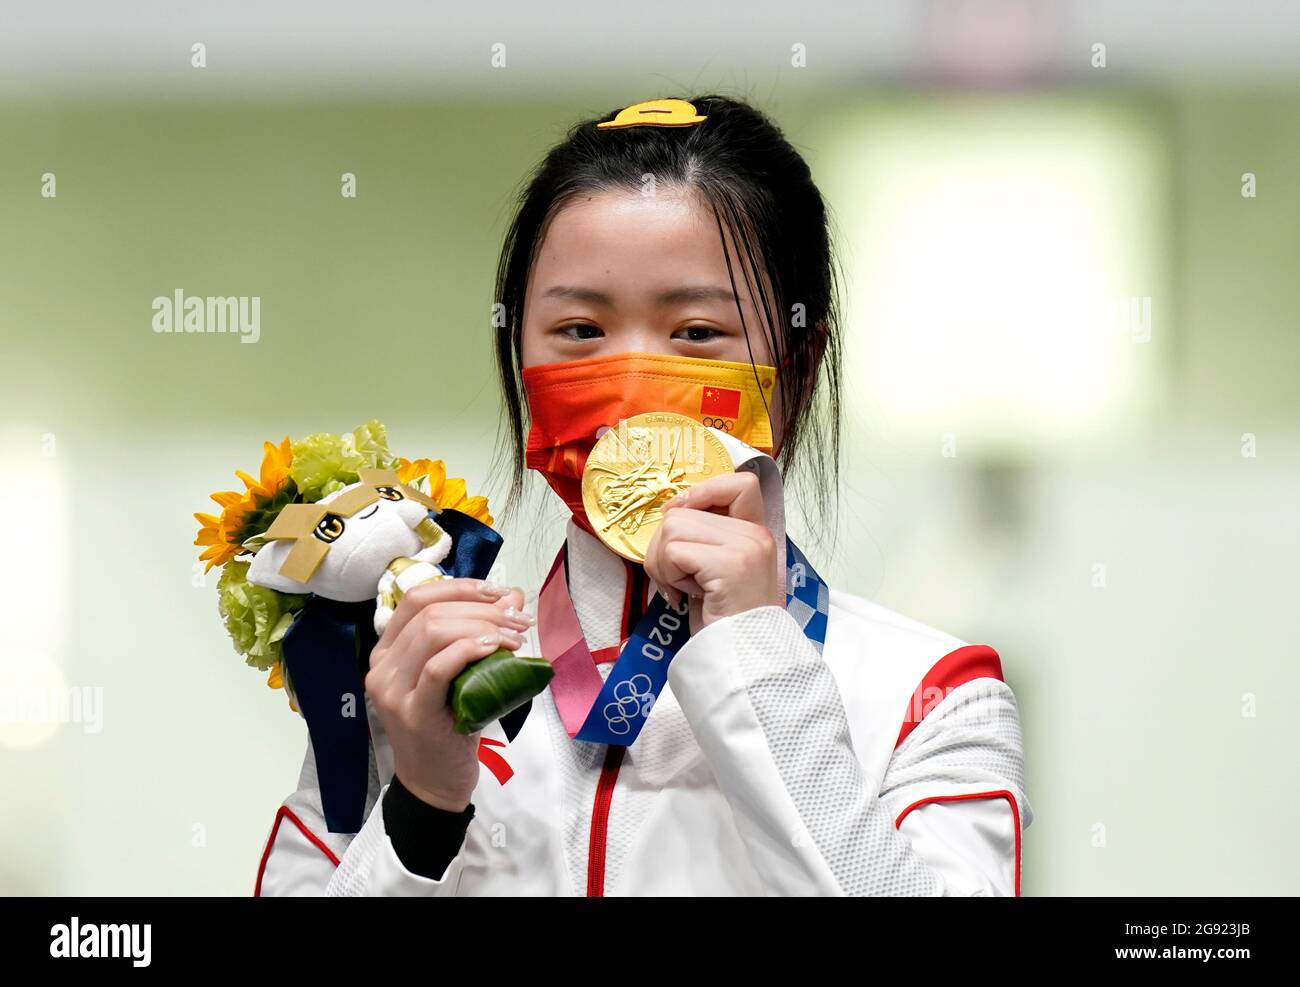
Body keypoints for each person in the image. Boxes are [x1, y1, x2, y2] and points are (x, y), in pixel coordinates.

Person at [253, 94, 1032, 897]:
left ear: (795, 372)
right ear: (519, 359)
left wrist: (756, 659)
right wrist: (420, 810)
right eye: (581, 332)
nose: (628, 385)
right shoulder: (422, 686)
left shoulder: (927, 696)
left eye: (695, 332)